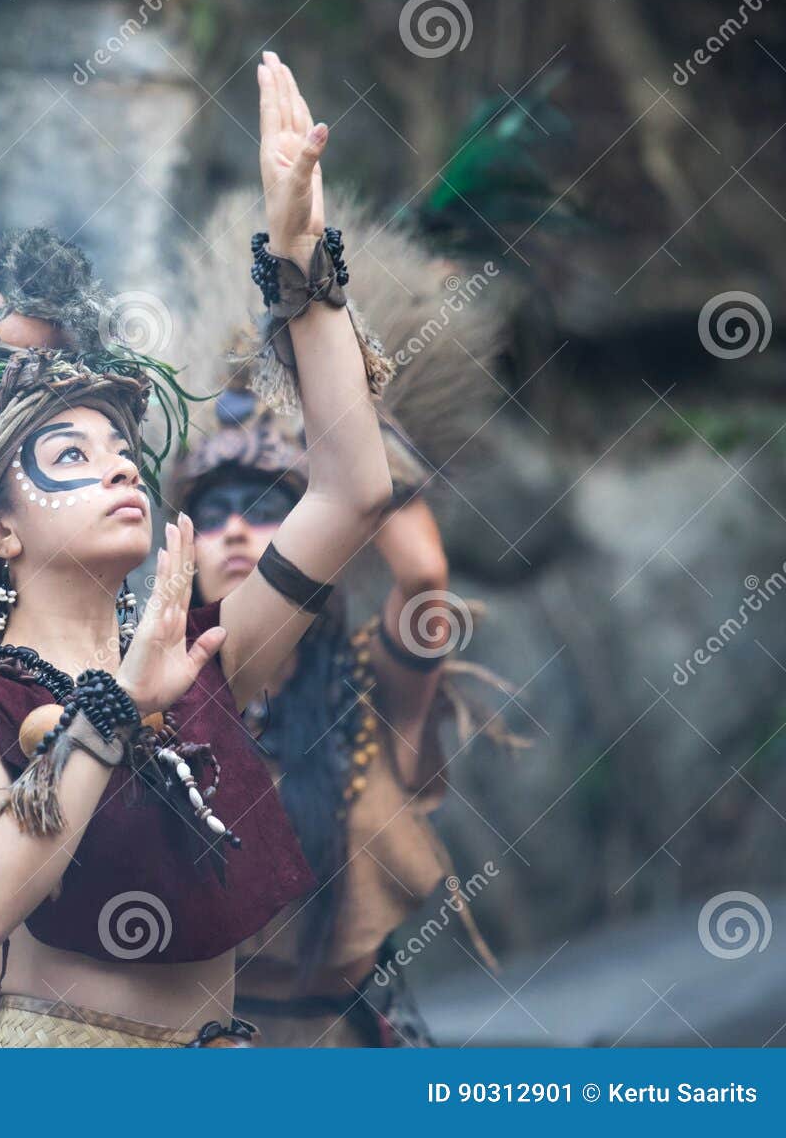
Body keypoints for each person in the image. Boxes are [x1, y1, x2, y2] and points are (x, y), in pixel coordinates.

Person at [0, 54, 396, 1046]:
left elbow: (353, 490)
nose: (121, 469)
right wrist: (111, 710)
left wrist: (301, 259)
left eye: (122, 450)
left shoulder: (196, 657)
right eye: (69, 455)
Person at [165, 189, 521, 1046]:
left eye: (265, 508)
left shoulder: (371, 690)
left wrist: (358, 413)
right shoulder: (154, 692)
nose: (240, 529)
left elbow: (425, 571)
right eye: (215, 514)